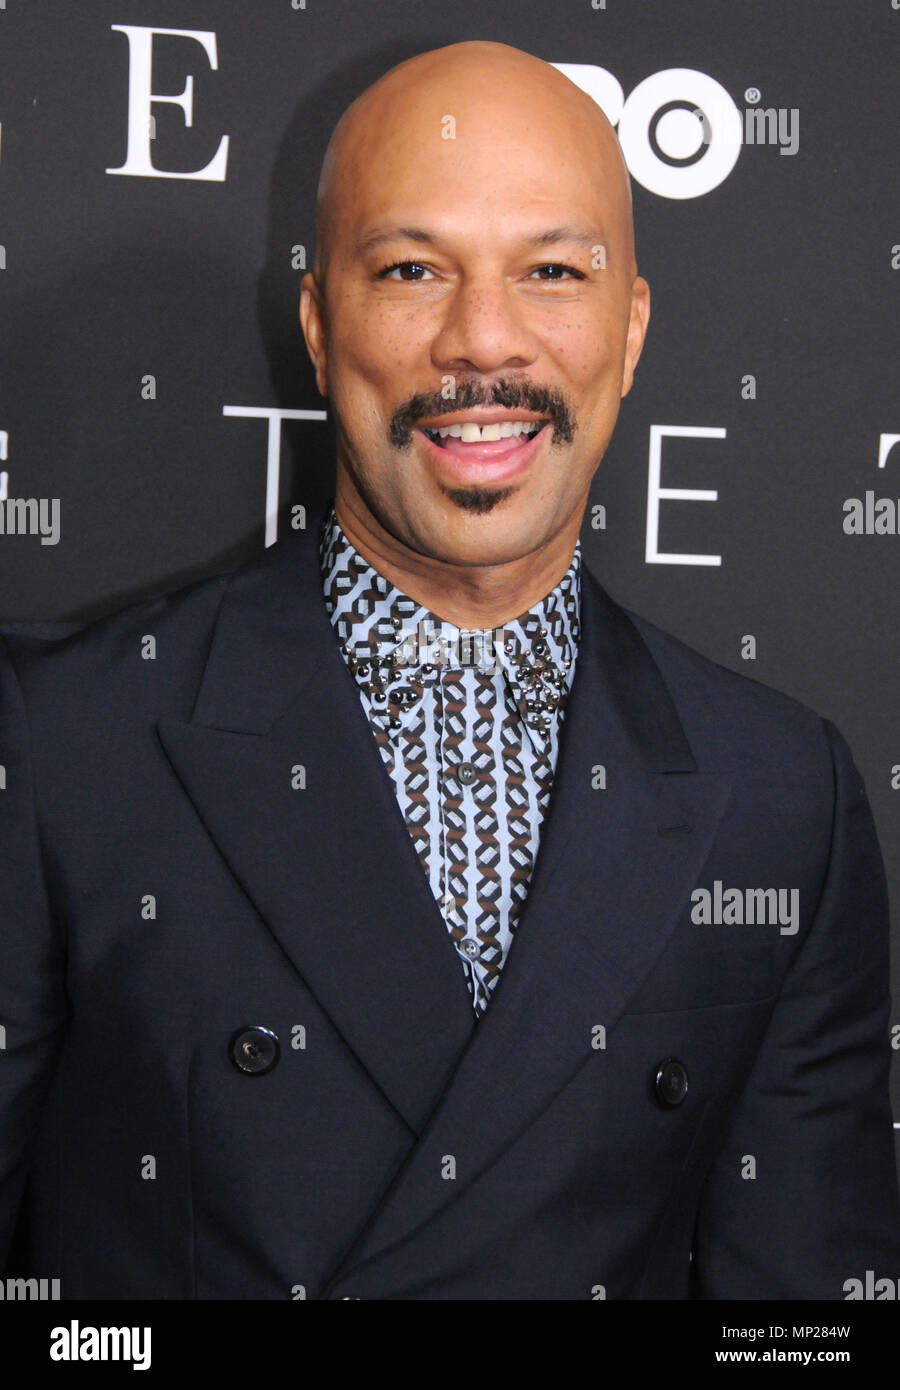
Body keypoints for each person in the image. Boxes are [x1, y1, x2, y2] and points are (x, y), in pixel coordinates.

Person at [1, 40, 898, 1301]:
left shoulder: (780, 796)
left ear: (630, 329)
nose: (485, 344)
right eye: (412, 270)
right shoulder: (63, 740)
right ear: (319, 326)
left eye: (552, 271)